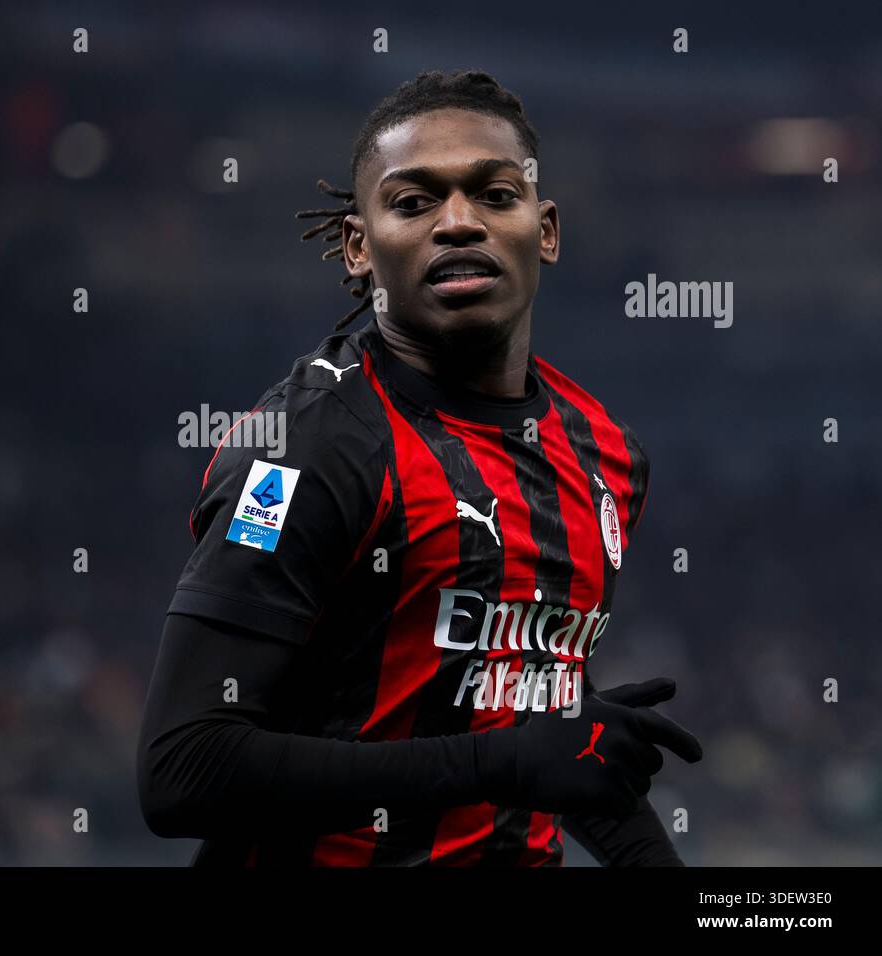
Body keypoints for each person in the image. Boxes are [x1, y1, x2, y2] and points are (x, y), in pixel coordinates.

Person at [137, 69, 702, 867]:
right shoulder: (307, 446)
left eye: (495, 195)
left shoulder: (606, 453)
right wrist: (505, 762)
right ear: (359, 247)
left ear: (545, 230)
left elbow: (540, 749)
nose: (459, 223)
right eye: (414, 202)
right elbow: (181, 772)